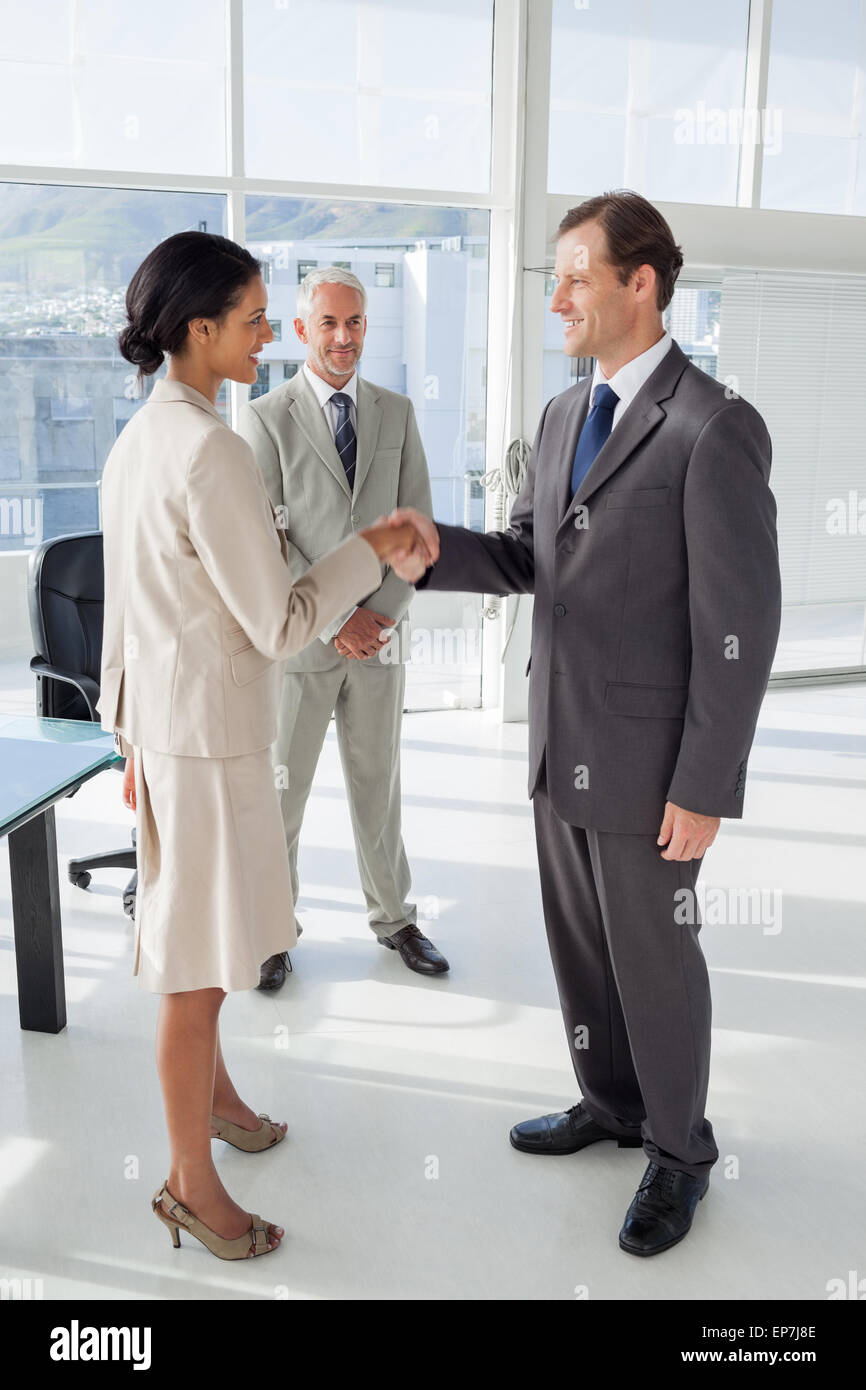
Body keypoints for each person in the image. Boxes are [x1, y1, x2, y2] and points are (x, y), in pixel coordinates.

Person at [389, 190, 782, 1257]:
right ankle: (610, 1105)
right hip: (558, 742)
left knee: (654, 962)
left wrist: (703, 783)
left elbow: (740, 626)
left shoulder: (712, 427)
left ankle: (678, 1151)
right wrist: (437, 549)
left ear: (637, 283)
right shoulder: (566, 414)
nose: (554, 294)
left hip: (652, 764)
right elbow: (529, 554)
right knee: (579, 951)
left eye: (573, 273)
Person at [97, 231, 433, 1262]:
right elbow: (281, 621)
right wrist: (370, 547)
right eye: (251, 319)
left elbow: (126, 612)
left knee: (206, 946)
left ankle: (222, 1101)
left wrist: (126, 741)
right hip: (203, 742)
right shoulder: (211, 448)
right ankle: (192, 1188)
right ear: (199, 330)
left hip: (169, 732)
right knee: (195, 975)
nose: (265, 337)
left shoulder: (142, 436)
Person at [239, 267, 448, 988]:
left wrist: (376, 619)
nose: (343, 337)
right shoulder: (265, 418)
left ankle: (395, 918)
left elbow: (414, 523)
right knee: (281, 793)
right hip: (303, 642)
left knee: (378, 785)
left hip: (379, 641)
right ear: (302, 331)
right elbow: (269, 539)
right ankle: (272, 931)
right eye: (328, 324)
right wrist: (333, 621)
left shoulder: (396, 413)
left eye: (354, 323)